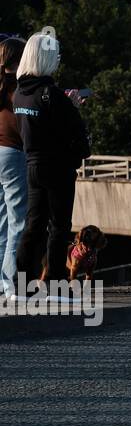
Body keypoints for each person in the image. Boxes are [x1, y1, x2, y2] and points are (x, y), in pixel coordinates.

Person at [13, 34, 90, 283]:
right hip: (58, 169)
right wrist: (74, 108)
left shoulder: (20, 94)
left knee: (33, 227)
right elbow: (77, 138)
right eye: (56, 56)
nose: (58, 60)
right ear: (46, 58)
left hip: (32, 165)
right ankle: (56, 284)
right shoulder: (52, 95)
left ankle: (21, 284)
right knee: (58, 228)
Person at [0, 37, 27, 298]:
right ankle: (11, 283)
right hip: (12, 153)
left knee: (1, 221)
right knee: (18, 219)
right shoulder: (19, 88)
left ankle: (1, 280)